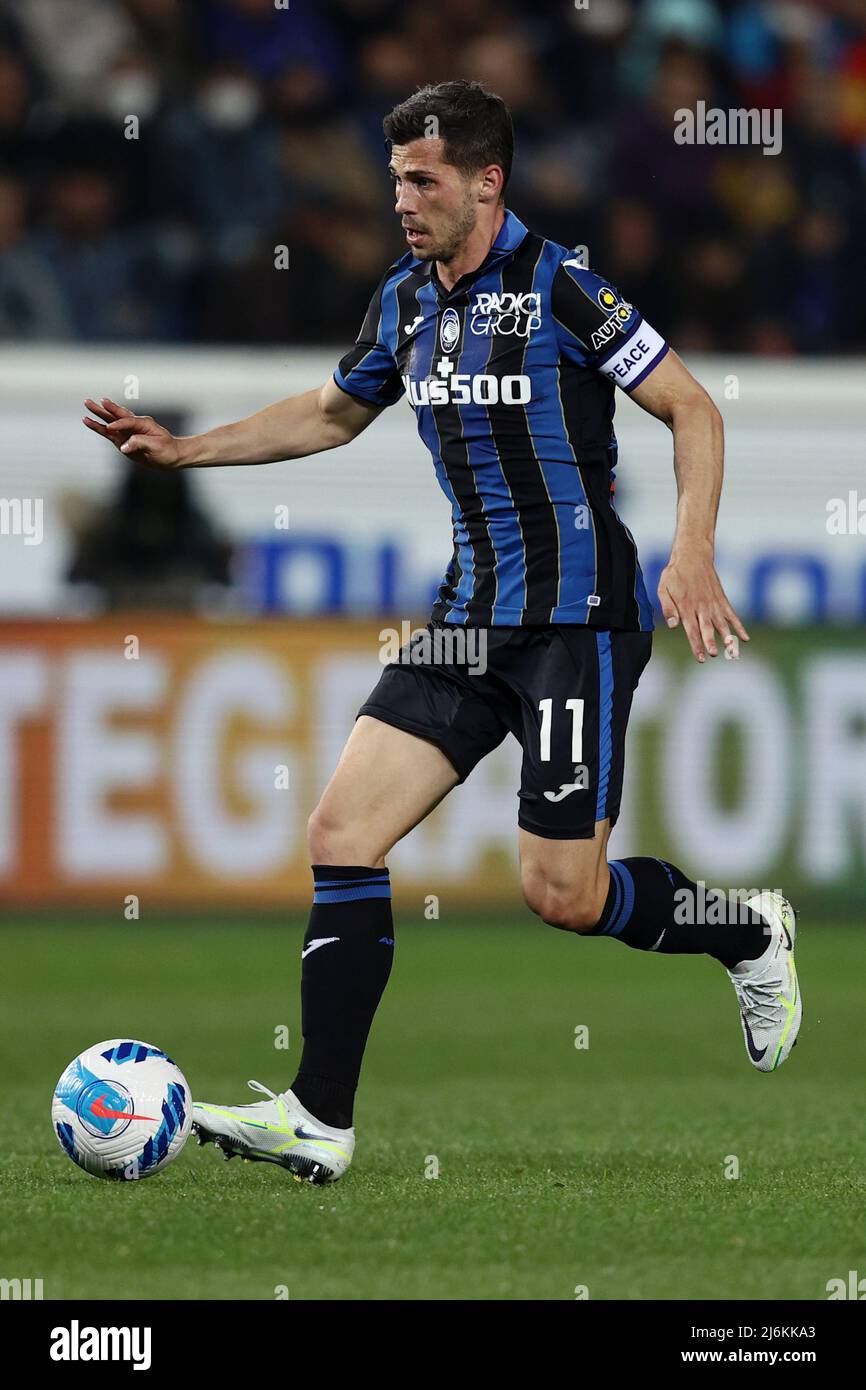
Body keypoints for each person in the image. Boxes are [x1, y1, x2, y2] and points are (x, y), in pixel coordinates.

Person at [83, 80, 801, 1186]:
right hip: (467, 617)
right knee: (339, 831)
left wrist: (689, 550)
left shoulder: (560, 284)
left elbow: (691, 408)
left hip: (577, 619)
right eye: (395, 182)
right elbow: (330, 410)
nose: (403, 202)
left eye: (422, 181)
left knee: (560, 894)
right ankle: (320, 1119)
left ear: (484, 180)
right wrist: (187, 451)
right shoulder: (403, 301)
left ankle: (743, 930)